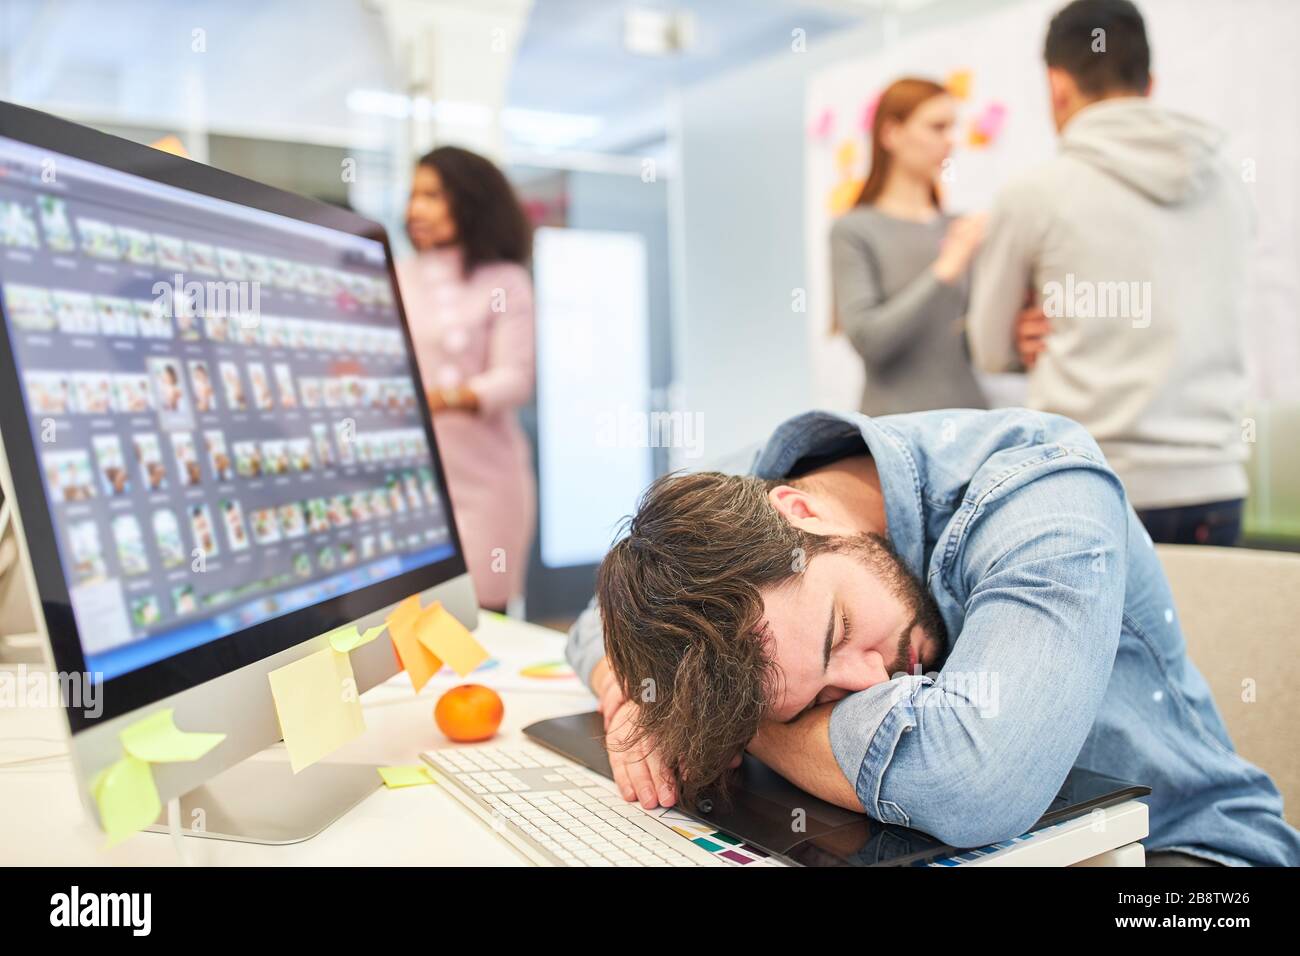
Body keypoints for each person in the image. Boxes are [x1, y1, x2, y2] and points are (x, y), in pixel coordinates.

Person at [566, 408, 1300, 866]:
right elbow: (592, 617)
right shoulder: (749, 512)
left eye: (840, 634)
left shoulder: (1046, 495)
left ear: (802, 512)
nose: (870, 682)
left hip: (1188, 860)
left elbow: (973, 780)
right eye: (816, 699)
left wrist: (738, 726)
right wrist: (630, 693)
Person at [967, 0, 1251, 546]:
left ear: (1057, 85)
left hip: (1087, 481)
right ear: (1150, 83)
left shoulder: (1034, 193)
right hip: (1213, 484)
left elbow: (988, 348)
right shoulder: (1229, 185)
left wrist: (1026, 333)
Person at [397, 146, 536, 613]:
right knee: (407, 624)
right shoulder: (396, 275)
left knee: (478, 618)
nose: (416, 208)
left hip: (485, 480)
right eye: (414, 194)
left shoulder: (506, 281)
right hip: (406, 480)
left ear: (470, 201)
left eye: (433, 195)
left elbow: (515, 378)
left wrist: (447, 398)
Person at [830, 77, 988, 415]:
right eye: (937, 127)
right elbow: (871, 341)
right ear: (891, 133)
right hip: (893, 438)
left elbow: (982, 344)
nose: (950, 142)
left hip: (973, 429)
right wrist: (944, 271)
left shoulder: (960, 229)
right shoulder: (853, 230)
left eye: (953, 128)